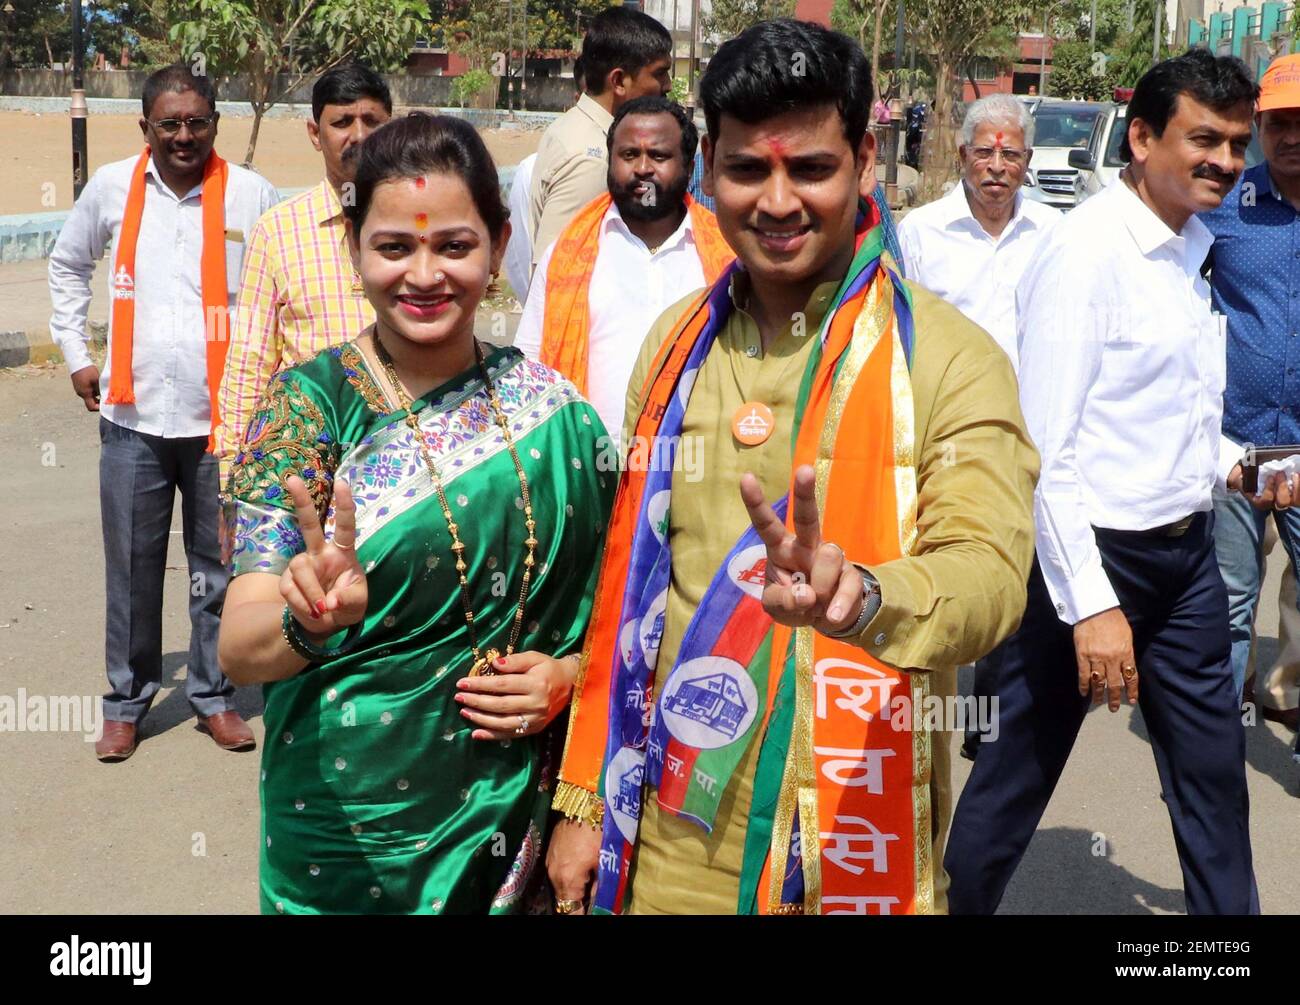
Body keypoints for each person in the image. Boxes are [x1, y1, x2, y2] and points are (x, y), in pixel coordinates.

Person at [545, 19, 1038, 916]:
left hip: (840, 834)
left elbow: (993, 573)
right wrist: (581, 803)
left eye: (810, 168)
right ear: (709, 174)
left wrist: (866, 597)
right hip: (659, 833)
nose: (777, 202)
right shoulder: (673, 347)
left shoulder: (951, 359)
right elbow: (627, 583)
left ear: (863, 159)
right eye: (746, 170)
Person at [217, 112, 615, 914]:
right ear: (354, 248)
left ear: (499, 247)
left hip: (515, 820)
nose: (424, 274)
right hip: (346, 837)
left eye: (454, 246)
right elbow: (238, 646)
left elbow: (622, 618)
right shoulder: (305, 412)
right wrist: (309, 621)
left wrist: (570, 676)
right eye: (395, 246)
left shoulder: (556, 413)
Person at [946, 49, 1264, 915]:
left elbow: (1167, 412)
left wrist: (1242, 465)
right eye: (1205, 140)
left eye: (1238, 144)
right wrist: (1090, 606)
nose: (1226, 163)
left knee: (1212, 785)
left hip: (1186, 560)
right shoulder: (1084, 256)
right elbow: (1046, 451)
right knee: (1012, 784)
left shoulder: (1189, 249)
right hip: (1082, 564)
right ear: (1142, 137)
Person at [48, 63, 279, 762]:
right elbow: (67, 266)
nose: (184, 134)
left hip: (224, 418)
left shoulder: (250, 194)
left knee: (216, 564)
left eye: (197, 121)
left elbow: (278, 286)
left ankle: (212, 694)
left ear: (216, 122)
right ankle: (126, 700)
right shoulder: (111, 188)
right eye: (169, 123)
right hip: (133, 412)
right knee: (132, 566)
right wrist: (75, 352)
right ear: (144, 126)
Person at [514, 96, 734, 444]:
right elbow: (528, 370)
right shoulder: (569, 254)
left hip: (696, 469)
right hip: (591, 469)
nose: (642, 168)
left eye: (658, 156)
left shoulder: (727, 254)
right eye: (629, 155)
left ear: (690, 168)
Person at [215, 63, 392, 482]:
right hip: (306, 461)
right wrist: (230, 470)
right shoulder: (277, 231)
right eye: (342, 122)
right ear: (316, 134)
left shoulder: (420, 224)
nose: (359, 135)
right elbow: (250, 358)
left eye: (372, 120)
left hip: (404, 453)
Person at [1200, 53, 1300, 744]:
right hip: (1239, 440)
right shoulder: (1227, 206)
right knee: (1232, 597)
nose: (1290, 135)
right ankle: (1216, 736)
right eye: (1278, 123)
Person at [897, 93, 1060, 368]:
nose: (996, 167)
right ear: (964, 155)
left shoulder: (1052, 232)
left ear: (1028, 159)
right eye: (984, 153)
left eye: (1009, 155)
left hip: (1029, 404)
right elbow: (899, 328)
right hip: (947, 404)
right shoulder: (920, 233)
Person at [528, 5, 672, 267]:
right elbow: (557, 272)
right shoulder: (593, 158)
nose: (668, 85)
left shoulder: (583, 130)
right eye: (659, 73)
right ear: (618, 81)